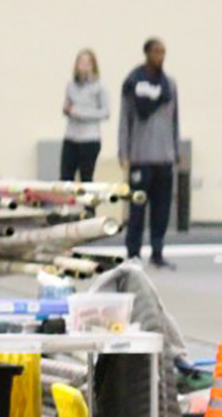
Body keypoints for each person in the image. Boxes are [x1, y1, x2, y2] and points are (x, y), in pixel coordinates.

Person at [118, 38, 180, 268]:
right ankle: (133, 253)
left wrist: (175, 148)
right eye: (156, 52)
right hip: (140, 156)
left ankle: (157, 251)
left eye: (163, 52)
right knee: (137, 209)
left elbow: (175, 119)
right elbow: (125, 120)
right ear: (147, 53)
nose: (160, 56)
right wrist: (123, 151)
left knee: (162, 208)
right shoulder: (132, 83)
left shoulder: (169, 85)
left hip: (164, 157)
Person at [60, 49, 109, 183]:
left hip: (89, 139)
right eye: (81, 62)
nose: (84, 65)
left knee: (86, 178)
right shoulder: (70, 86)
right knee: (65, 178)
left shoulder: (100, 88)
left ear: (94, 65)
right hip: (71, 137)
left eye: (88, 62)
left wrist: (80, 112)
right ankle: (66, 204)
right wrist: (67, 110)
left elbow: (105, 112)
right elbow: (67, 106)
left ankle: (89, 204)